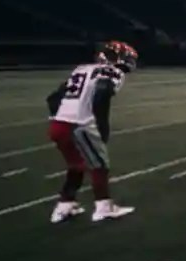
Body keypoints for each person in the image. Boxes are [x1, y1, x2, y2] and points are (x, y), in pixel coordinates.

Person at [46, 40, 139, 223]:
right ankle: (104, 207)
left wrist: (62, 114)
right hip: (79, 124)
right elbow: (102, 92)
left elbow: (52, 99)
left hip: (58, 125)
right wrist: (101, 126)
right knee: (99, 164)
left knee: (77, 165)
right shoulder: (112, 71)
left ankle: (65, 205)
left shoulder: (81, 69)